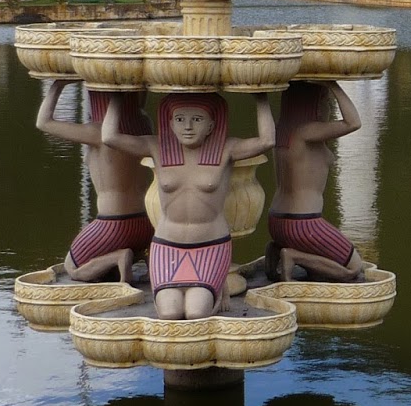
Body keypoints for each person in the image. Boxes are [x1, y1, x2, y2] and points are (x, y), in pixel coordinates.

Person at [104, 92, 273, 320]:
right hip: (167, 246)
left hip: (210, 246)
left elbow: (267, 141)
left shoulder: (226, 148)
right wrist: (117, 96)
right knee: (170, 313)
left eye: (197, 119)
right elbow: (110, 138)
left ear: (212, 125)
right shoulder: (157, 146)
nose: (188, 127)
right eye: (181, 119)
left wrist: (261, 98)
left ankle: (216, 286)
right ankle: (215, 290)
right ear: (170, 123)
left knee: (196, 312)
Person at [37, 80, 154, 284]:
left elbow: (43, 122)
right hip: (147, 225)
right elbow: (139, 103)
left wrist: (57, 85)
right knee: (110, 265)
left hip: (114, 224)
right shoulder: (144, 125)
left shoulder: (97, 132)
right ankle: (148, 262)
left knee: (72, 268)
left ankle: (119, 256)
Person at [265, 81, 365, 282]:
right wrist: (334, 85)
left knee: (320, 269)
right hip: (304, 225)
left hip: (276, 221)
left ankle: (276, 250)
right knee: (354, 269)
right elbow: (353, 122)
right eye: (327, 100)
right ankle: (292, 256)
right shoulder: (307, 131)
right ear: (316, 103)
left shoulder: (282, 128)